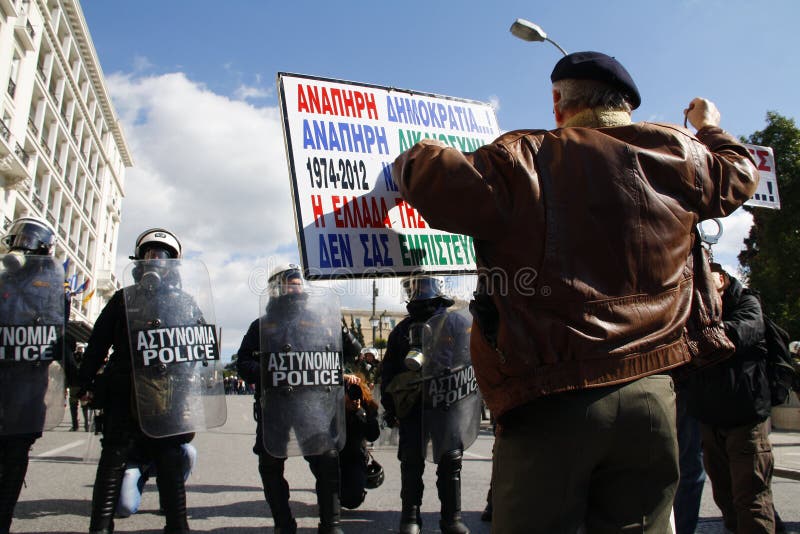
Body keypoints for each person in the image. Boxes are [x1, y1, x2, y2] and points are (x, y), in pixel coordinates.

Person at [392, 51, 760, 533]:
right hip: (652, 397)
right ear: (626, 106)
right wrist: (708, 126)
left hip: (551, 399)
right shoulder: (682, 155)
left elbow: (434, 182)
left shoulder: (523, 157)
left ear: (558, 102)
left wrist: (416, 149)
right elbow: (740, 171)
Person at [79, 228, 201, 534]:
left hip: (167, 396)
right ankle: (100, 527)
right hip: (123, 393)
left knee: (171, 463)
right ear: (139, 261)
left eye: (162, 256)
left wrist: (191, 387)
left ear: (173, 264)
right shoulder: (123, 299)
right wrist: (83, 383)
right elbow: (97, 344)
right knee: (112, 461)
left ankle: (178, 526)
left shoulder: (185, 303)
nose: (155, 261)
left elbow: (199, 348)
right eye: (149, 255)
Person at [236, 263, 362, 534]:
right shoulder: (263, 324)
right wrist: (268, 372)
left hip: (312, 406)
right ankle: (284, 524)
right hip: (275, 407)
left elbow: (354, 351)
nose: (295, 284)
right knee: (269, 464)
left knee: (327, 460)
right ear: (277, 288)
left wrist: (339, 325)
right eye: (289, 281)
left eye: (297, 280)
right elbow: (242, 363)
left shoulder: (319, 320)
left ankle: (331, 524)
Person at [686, 264, 775, 533]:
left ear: (722, 279)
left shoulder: (746, 302)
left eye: (708, 279)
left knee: (752, 498)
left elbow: (743, 331)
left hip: (745, 417)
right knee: (725, 497)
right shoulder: (696, 310)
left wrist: (702, 337)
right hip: (711, 419)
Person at [380, 275, 471, 534]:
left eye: (422, 284)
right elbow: (388, 372)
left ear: (437, 286)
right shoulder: (402, 329)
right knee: (410, 462)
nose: (416, 290)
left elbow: (469, 359)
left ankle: (451, 518)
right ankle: (410, 517)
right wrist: (391, 406)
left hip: (446, 403)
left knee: (450, 461)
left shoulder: (454, 323)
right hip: (414, 407)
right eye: (412, 286)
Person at [0, 217, 65, 534]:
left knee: (14, 454)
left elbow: (57, 332)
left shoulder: (51, 283)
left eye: (31, 239)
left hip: (27, 386)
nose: (23, 244)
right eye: (19, 238)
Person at [116, 443, 197, 518]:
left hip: (167, 451)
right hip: (137, 456)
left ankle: (169, 496)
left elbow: (187, 433)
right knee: (125, 509)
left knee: (189, 452)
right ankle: (141, 475)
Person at [339, 380, 380, 510]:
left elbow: (373, 435)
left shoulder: (365, 407)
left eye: (356, 392)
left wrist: (360, 412)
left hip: (354, 456)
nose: (352, 396)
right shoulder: (334, 406)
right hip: (333, 456)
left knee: (352, 500)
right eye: (349, 392)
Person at [67, 343, 90, 432]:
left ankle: (77, 425)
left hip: (75, 384)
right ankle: (85, 425)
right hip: (80, 385)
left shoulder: (71, 359)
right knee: (82, 405)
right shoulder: (86, 359)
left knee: (77, 405)